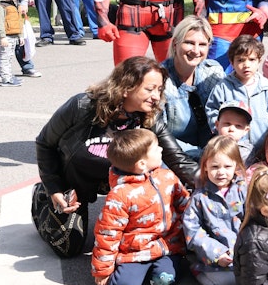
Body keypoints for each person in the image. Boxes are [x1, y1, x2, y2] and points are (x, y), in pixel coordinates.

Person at [35, 57, 196, 225]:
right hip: (75, 179)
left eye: (159, 89)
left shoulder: (149, 118)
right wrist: (54, 188)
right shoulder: (82, 106)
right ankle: (41, 194)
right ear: (126, 88)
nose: (156, 96)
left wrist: (215, 182)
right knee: (69, 247)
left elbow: (178, 160)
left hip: (119, 182)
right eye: (149, 89)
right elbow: (45, 143)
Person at [91, 128, 190, 285]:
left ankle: (164, 267)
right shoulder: (120, 194)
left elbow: (184, 204)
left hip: (167, 246)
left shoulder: (167, 177)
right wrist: (102, 270)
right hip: (134, 253)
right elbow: (108, 233)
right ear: (142, 164)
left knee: (164, 278)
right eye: (156, 148)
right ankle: (136, 272)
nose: (161, 149)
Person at [183, 135, 248, 285]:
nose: (221, 172)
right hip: (214, 258)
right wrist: (217, 253)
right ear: (205, 167)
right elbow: (192, 231)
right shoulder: (200, 197)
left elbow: (253, 220)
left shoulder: (243, 190)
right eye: (215, 167)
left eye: (227, 166)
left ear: (236, 167)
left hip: (243, 253)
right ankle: (198, 271)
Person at [205, 35, 268, 151]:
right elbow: (212, 110)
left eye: (252, 60)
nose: (246, 65)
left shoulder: (267, 87)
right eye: (240, 60)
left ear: (259, 61)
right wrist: (223, 131)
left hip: (262, 148)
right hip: (232, 148)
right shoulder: (223, 87)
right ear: (232, 63)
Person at [160, 16, 225, 158]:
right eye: (189, 43)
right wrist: (201, 155)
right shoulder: (160, 79)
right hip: (173, 156)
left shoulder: (214, 72)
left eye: (202, 44)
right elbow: (159, 135)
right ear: (175, 44)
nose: (196, 51)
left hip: (214, 155)